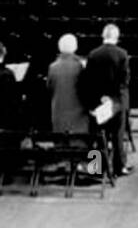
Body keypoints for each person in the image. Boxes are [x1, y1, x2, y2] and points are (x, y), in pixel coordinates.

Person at [81, 24, 133, 177]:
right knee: (117, 135)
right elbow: (124, 80)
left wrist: (100, 97)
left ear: (103, 36)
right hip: (116, 101)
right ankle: (119, 167)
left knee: (97, 135)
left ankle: (95, 167)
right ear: (116, 37)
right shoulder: (122, 54)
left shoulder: (93, 54)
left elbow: (88, 81)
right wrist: (112, 98)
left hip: (98, 101)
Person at [48, 34, 87, 135]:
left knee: (60, 147)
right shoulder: (80, 65)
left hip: (58, 114)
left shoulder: (52, 67)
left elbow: (50, 88)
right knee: (78, 146)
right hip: (78, 115)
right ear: (75, 47)